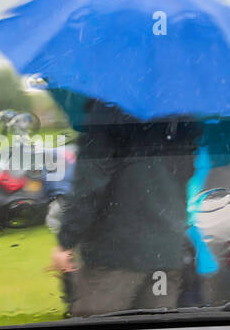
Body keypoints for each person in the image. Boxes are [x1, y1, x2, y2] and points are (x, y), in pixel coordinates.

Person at [50, 101, 202, 316]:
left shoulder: (109, 109)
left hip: (115, 257)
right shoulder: (180, 115)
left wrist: (66, 241)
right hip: (167, 253)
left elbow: (90, 184)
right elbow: (185, 173)